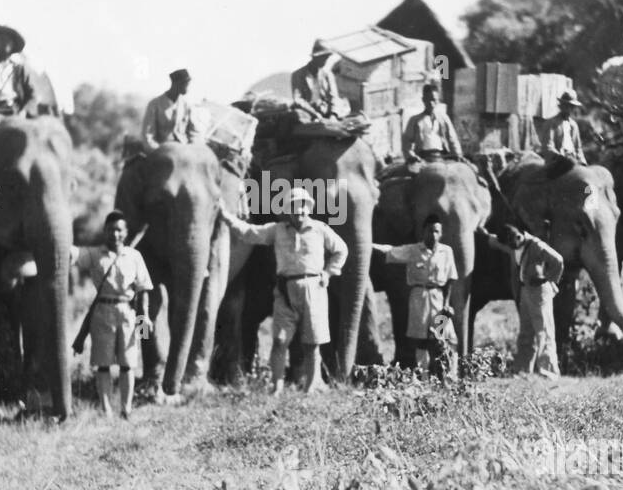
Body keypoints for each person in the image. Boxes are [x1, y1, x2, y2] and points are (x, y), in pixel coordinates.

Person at [218, 187, 348, 395]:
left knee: (312, 343)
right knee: (279, 339)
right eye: (295, 207)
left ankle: (310, 386)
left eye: (304, 206)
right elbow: (249, 233)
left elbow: (341, 249)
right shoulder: (277, 230)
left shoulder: (320, 229)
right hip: (285, 290)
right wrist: (225, 216)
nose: (300, 211)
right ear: (287, 209)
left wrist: (328, 273)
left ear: (309, 208)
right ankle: (276, 385)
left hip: (314, 288)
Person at [71, 211, 154, 419]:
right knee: (103, 363)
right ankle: (106, 409)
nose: (114, 234)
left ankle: (126, 409)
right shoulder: (94, 254)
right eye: (110, 230)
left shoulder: (134, 257)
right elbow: (74, 254)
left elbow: (143, 289)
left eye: (118, 230)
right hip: (102, 312)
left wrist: (144, 318)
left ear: (125, 233)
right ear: (104, 232)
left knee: (128, 364)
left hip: (127, 312)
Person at [372, 213, 458, 377]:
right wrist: (369, 245)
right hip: (419, 299)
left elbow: (451, 279)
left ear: (441, 233)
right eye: (430, 231)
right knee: (421, 340)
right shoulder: (414, 250)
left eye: (436, 231)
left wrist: (447, 304)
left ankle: (448, 376)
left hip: (438, 299)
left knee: (444, 337)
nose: (433, 235)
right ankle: (424, 376)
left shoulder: (446, 252)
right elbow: (391, 251)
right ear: (423, 232)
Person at [482, 223, 564, 380]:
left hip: (539, 291)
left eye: (514, 240)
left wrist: (548, 279)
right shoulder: (514, 245)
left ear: (519, 235)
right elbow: (498, 243)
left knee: (544, 330)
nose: (513, 244)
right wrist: (484, 233)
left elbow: (558, 261)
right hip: (526, 290)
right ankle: (523, 370)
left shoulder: (536, 245)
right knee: (526, 332)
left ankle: (549, 371)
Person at [401, 81, 462, 162]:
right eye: (428, 100)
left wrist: (457, 154)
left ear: (438, 101)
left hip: (442, 156)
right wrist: (411, 157)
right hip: (422, 158)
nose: (431, 103)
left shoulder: (443, 118)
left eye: (434, 100)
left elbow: (452, 139)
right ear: (423, 100)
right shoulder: (415, 120)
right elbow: (406, 143)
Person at [142, 68, 198, 149]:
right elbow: (148, 136)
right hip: (161, 151)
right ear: (177, 84)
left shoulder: (187, 106)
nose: (188, 87)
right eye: (186, 84)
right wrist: (159, 152)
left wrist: (193, 150)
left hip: (183, 151)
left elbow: (193, 133)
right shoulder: (155, 104)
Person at [291, 43, 348, 119]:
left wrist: (333, 115)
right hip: (307, 112)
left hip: (325, 110)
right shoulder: (298, 75)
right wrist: (314, 113)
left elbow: (334, 97)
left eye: (327, 57)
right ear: (315, 58)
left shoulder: (328, 75)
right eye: (323, 58)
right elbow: (298, 99)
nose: (325, 61)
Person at [543, 91, 587, 163]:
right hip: (557, 162)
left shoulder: (574, 125)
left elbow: (578, 148)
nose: (569, 109)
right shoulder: (551, 123)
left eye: (572, 107)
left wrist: (582, 161)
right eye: (567, 106)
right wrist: (561, 157)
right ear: (561, 106)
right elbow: (548, 147)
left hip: (573, 160)